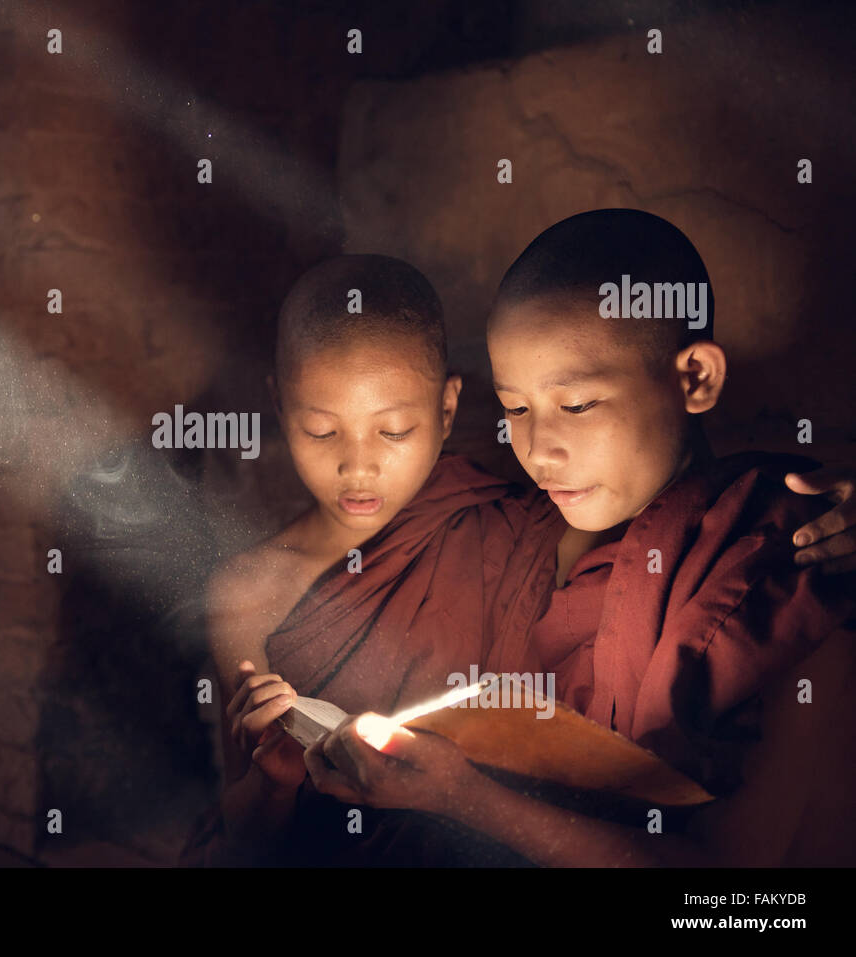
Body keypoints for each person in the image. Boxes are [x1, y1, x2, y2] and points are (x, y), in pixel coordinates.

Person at [304, 209, 856, 865]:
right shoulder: (512, 536)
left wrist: (461, 796)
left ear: (694, 378)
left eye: (577, 405)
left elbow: (736, 894)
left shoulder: (788, 551)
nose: (539, 450)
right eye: (516, 407)